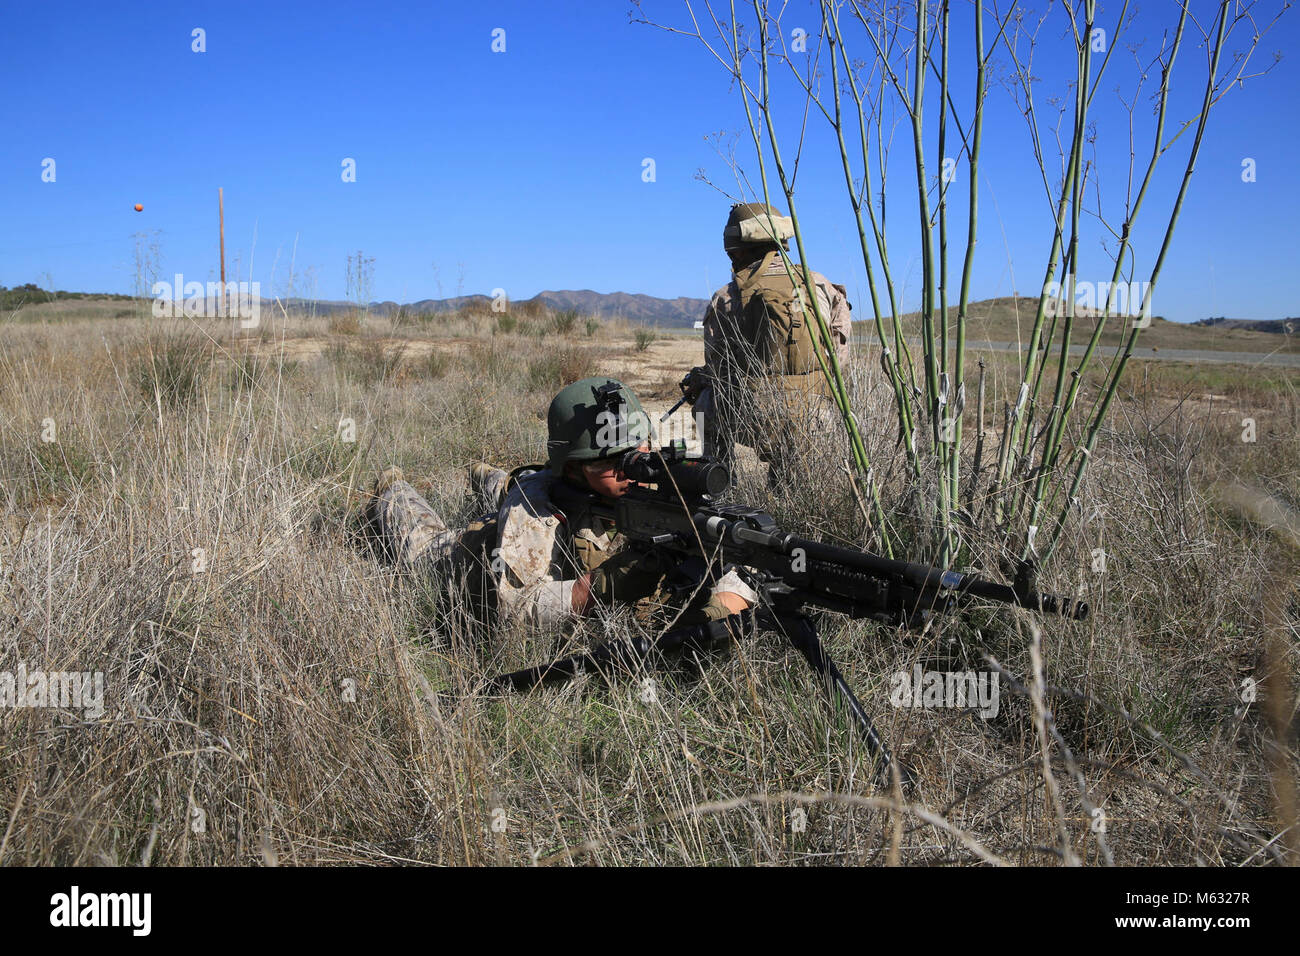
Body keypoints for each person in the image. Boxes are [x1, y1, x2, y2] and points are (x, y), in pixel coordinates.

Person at [362, 377, 755, 637]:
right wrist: (599, 587)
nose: (631, 472)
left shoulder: (657, 487)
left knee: (511, 485)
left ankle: (487, 476)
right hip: (472, 551)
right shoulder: (539, 507)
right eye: (607, 463)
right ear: (572, 469)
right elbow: (515, 611)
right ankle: (393, 488)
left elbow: (733, 563)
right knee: (420, 545)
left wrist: (718, 612)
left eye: (639, 454)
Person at [694, 202, 853, 488]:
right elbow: (839, 362)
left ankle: (719, 486)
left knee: (705, 399)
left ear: (737, 248)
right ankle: (791, 493)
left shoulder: (725, 296)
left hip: (750, 419)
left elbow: (718, 371)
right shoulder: (821, 287)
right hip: (816, 421)